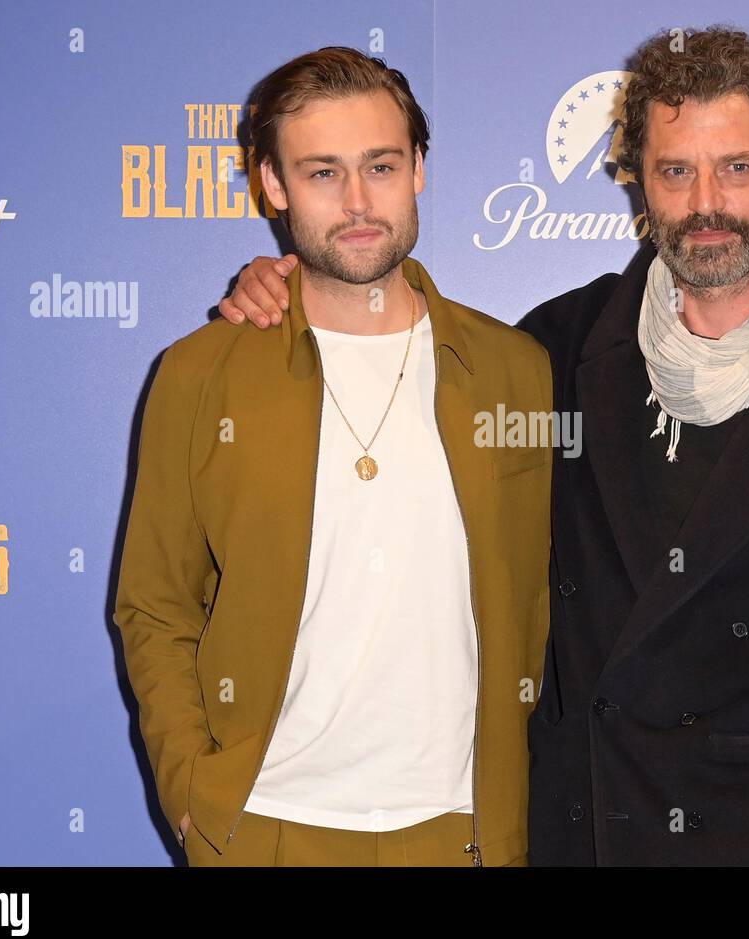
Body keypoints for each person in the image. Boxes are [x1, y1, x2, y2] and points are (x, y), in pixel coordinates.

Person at [219, 27, 749, 866]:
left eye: (737, 168)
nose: (705, 201)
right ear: (642, 185)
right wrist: (288, 291)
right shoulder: (553, 352)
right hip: (585, 827)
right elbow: (394, 399)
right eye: (676, 171)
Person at [114, 46, 551, 867]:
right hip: (263, 826)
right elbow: (156, 606)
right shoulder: (201, 373)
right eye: (321, 174)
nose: (357, 202)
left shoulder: (517, 370)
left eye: (380, 165)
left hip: (464, 830)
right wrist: (192, 801)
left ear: (419, 168)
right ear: (272, 187)